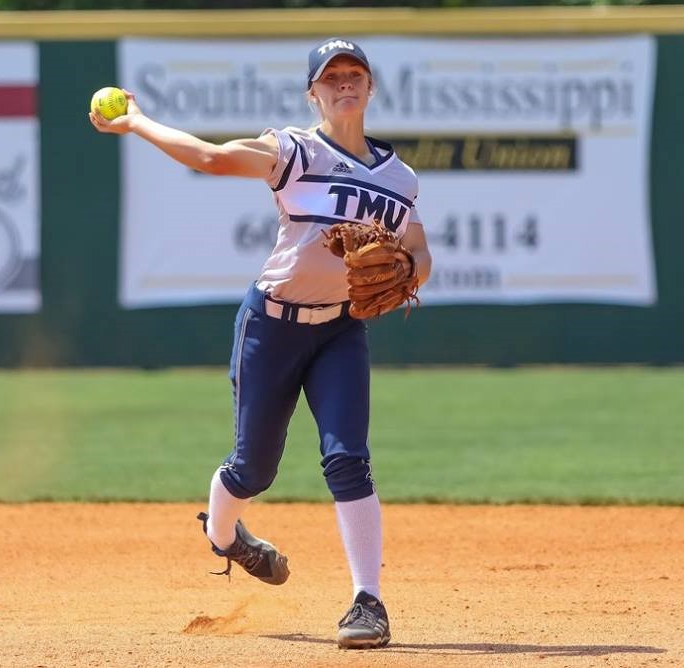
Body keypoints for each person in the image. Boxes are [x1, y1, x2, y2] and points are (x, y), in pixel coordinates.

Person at [89, 37, 432, 650]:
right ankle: (224, 536)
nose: (344, 84)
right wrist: (137, 121)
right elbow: (211, 158)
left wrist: (411, 270)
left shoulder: (399, 177)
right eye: (331, 77)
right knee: (253, 468)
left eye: (354, 74)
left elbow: (419, 248)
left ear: (370, 87)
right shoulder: (293, 151)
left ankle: (368, 602)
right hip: (271, 325)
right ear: (313, 93)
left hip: (340, 329)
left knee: (348, 458)